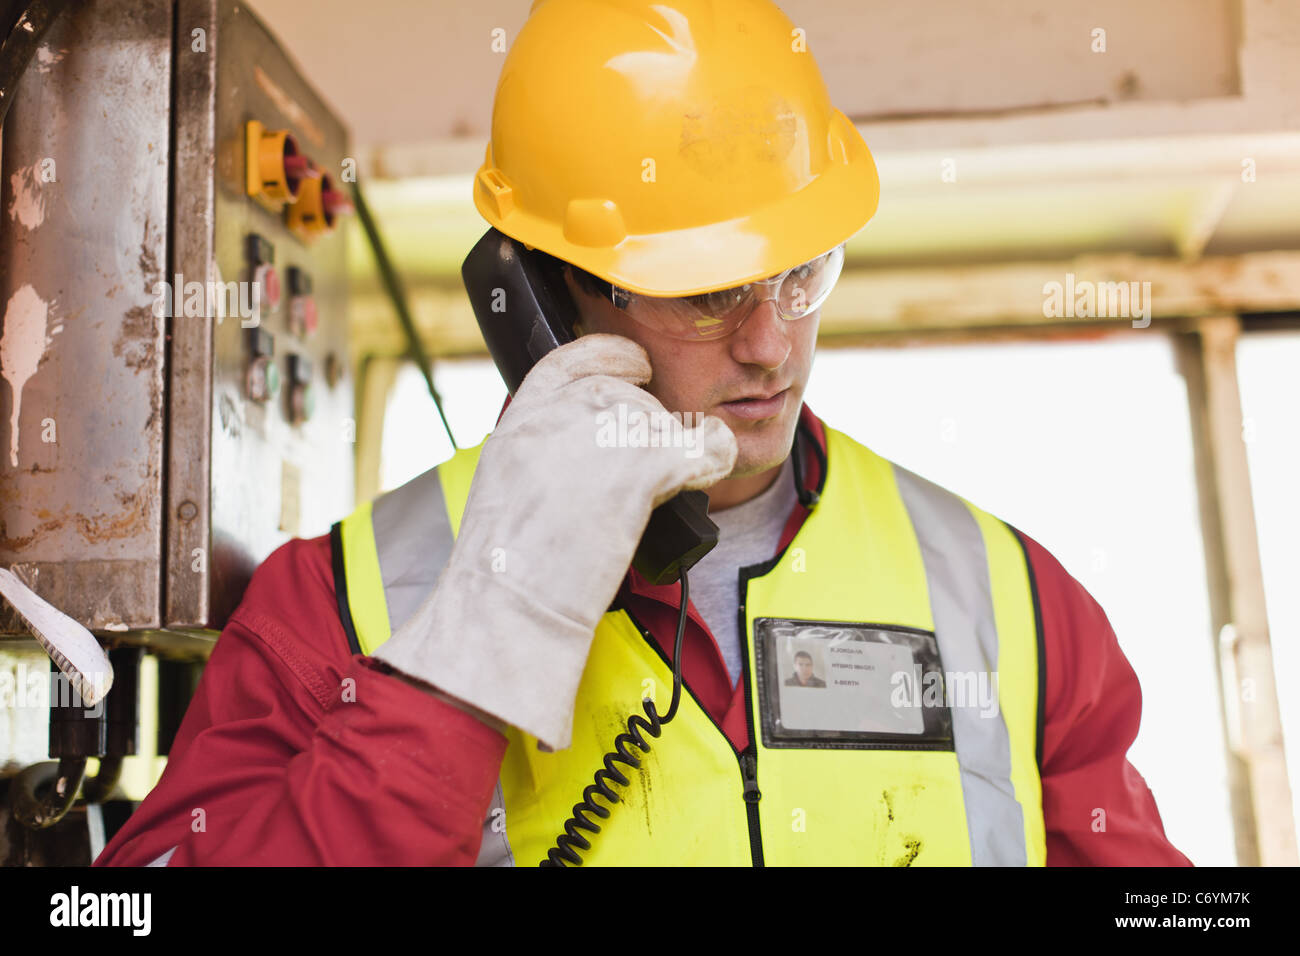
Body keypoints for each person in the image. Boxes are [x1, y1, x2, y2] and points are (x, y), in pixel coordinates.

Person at [95, 0, 1190, 867]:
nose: (770, 344)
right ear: (544, 294)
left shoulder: (1014, 601)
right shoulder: (335, 606)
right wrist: (469, 652)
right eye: (706, 292)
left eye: (800, 272)